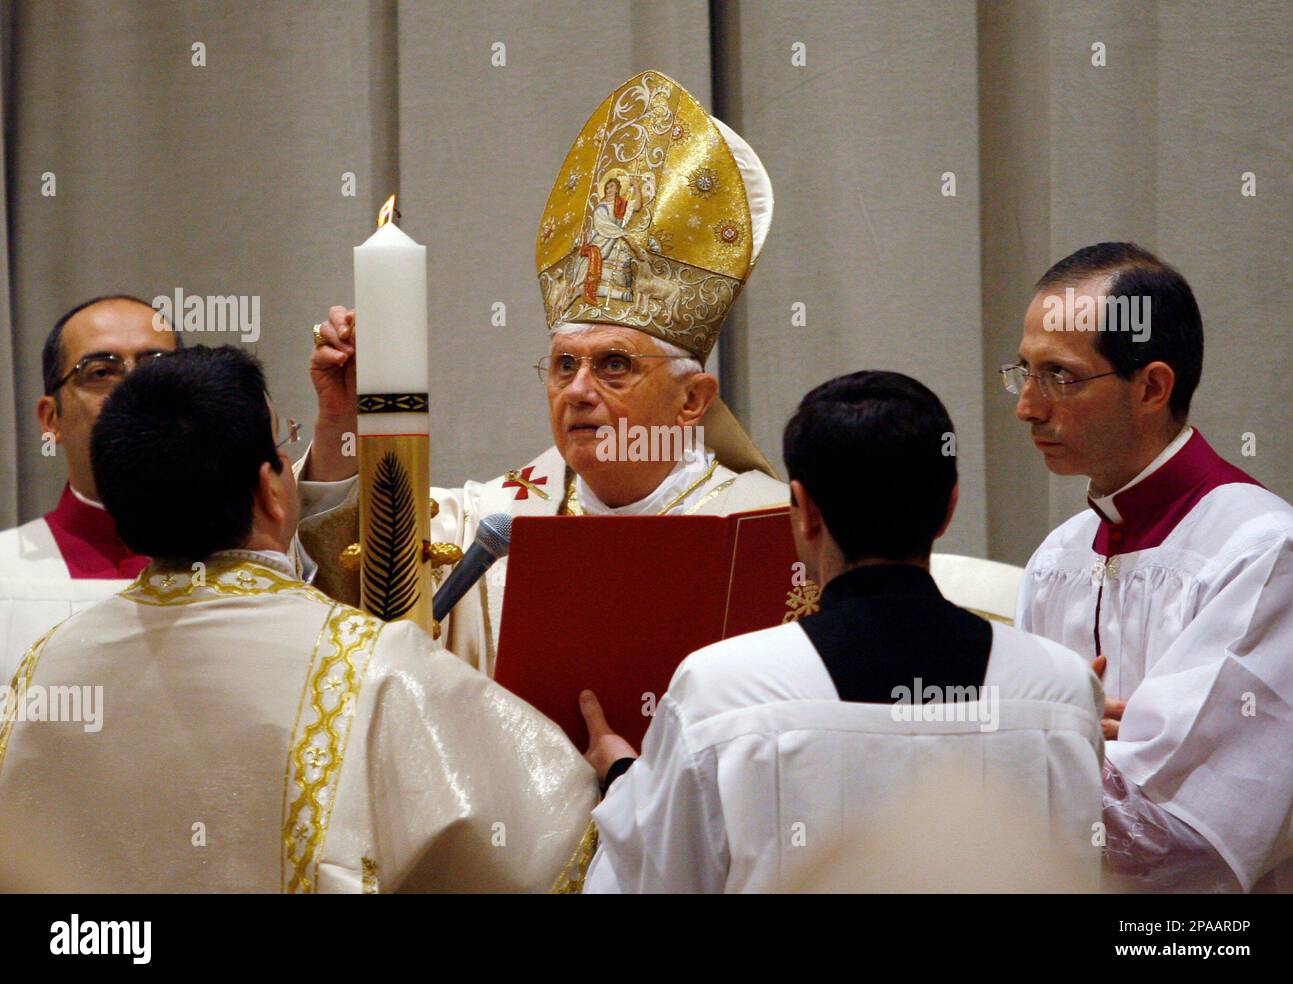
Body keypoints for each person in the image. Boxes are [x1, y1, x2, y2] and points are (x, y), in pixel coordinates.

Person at [0, 346, 595, 892]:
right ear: (271, 490)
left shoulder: (43, 673)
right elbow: (546, 841)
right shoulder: (377, 670)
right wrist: (615, 781)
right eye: (283, 452)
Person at [303, 71, 788, 676]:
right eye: (564, 365)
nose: (578, 391)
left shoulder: (771, 533)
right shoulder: (480, 533)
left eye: (614, 365)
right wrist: (343, 422)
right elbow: (349, 590)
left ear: (692, 400)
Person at [579, 371, 1104, 892]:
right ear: (949, 507)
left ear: (805, 511)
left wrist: (627, 776)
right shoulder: (1059, 689)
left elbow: (651, 878)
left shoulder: (720, 692)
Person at [1008, 242, 1293, 892]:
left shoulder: (1261, 552)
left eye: (1059, 376)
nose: (1027, 405)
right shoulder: (1058, 556)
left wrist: (1033, 735)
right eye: (1023, 372)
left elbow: (1183, 837)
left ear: (1151, 387)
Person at [0, 295, 359, 679]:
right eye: (101, 371)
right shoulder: (8, 573)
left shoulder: (252, 556)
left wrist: (340, 418)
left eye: (157, 368)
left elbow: (329, 557)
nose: (132, 387)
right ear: (50, 418)